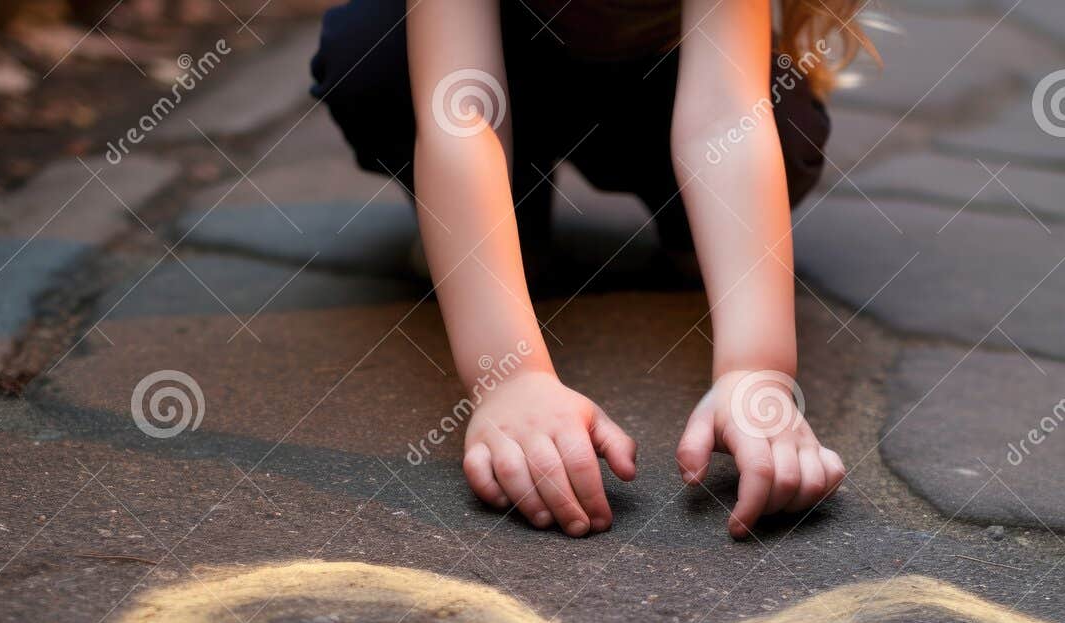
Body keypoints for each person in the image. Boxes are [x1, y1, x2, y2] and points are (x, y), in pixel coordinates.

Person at [311, 0, 872, 537]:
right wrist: (509, 376)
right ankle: (508, 215)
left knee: (780, 117)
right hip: (511, 73)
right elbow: (462, 114)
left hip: (654, 78)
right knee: (369, 53)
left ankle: (688, 224)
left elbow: (726, 116)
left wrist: (756, 369)